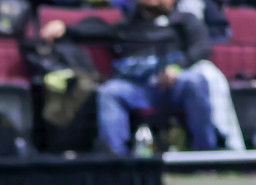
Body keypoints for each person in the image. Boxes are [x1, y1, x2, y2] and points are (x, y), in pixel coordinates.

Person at [38, 0, 222, 155]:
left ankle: (204, 157)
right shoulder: (128, 26)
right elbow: (93, 31)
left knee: (195, 82)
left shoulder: (184, 21)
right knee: (110, 92)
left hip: (172, 85)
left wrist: (177, 68)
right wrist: (64, 28)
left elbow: (202, 48)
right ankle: (116, 162)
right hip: (137, 88)